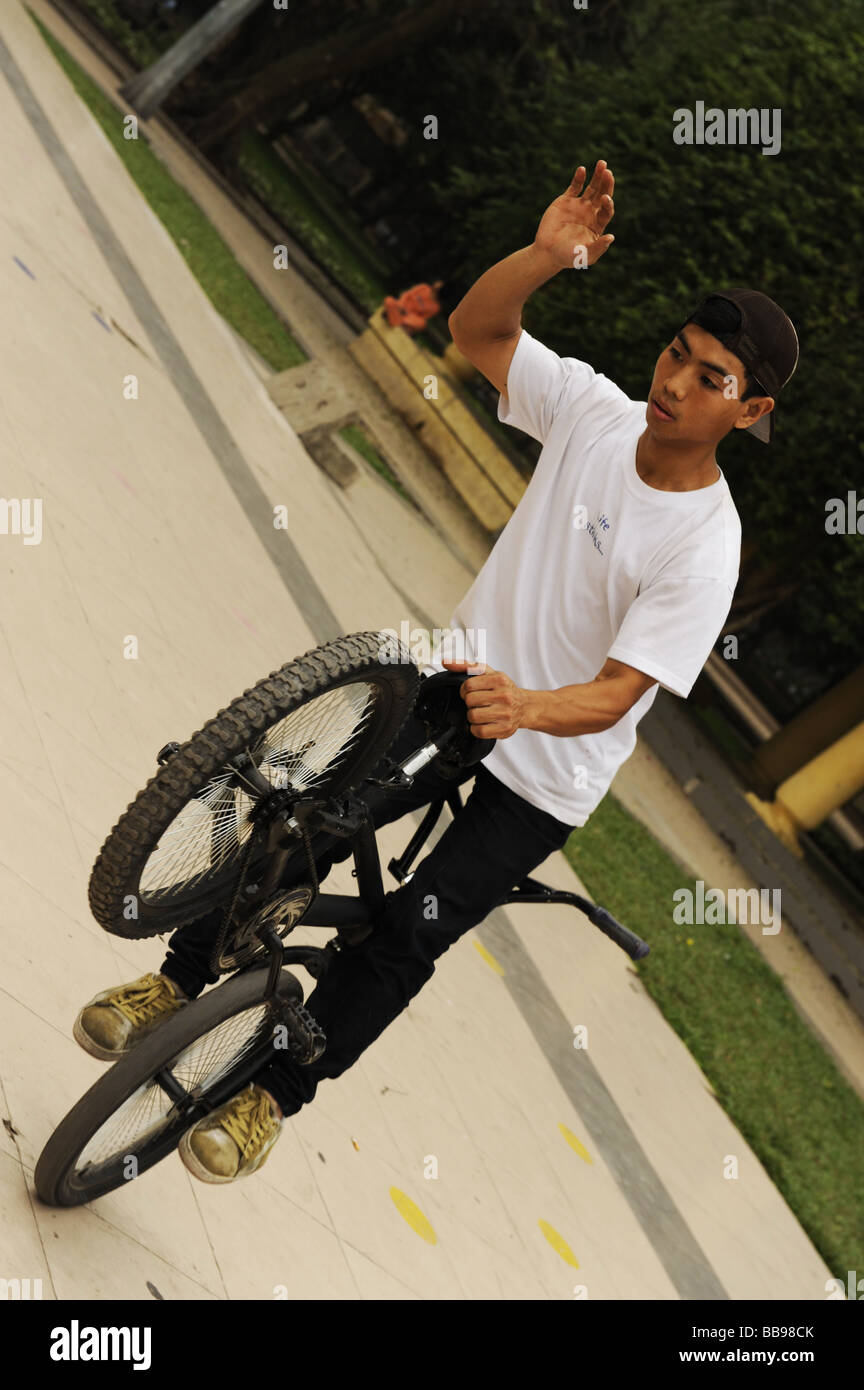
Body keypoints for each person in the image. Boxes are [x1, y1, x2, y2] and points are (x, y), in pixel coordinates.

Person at [74, 159, 799, 1184]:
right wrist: (544, 258)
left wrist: (529, 704)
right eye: (677, 355)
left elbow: (622, 692)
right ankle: (175, 981)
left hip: (547, 769)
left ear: (748, 407)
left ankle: (268, 1099)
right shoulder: (596, 413)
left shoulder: (706, 544)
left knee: (408, 932)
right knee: (305, 819)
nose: (675, 384)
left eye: (710, 379)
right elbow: (478, 333)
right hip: (453, 688)